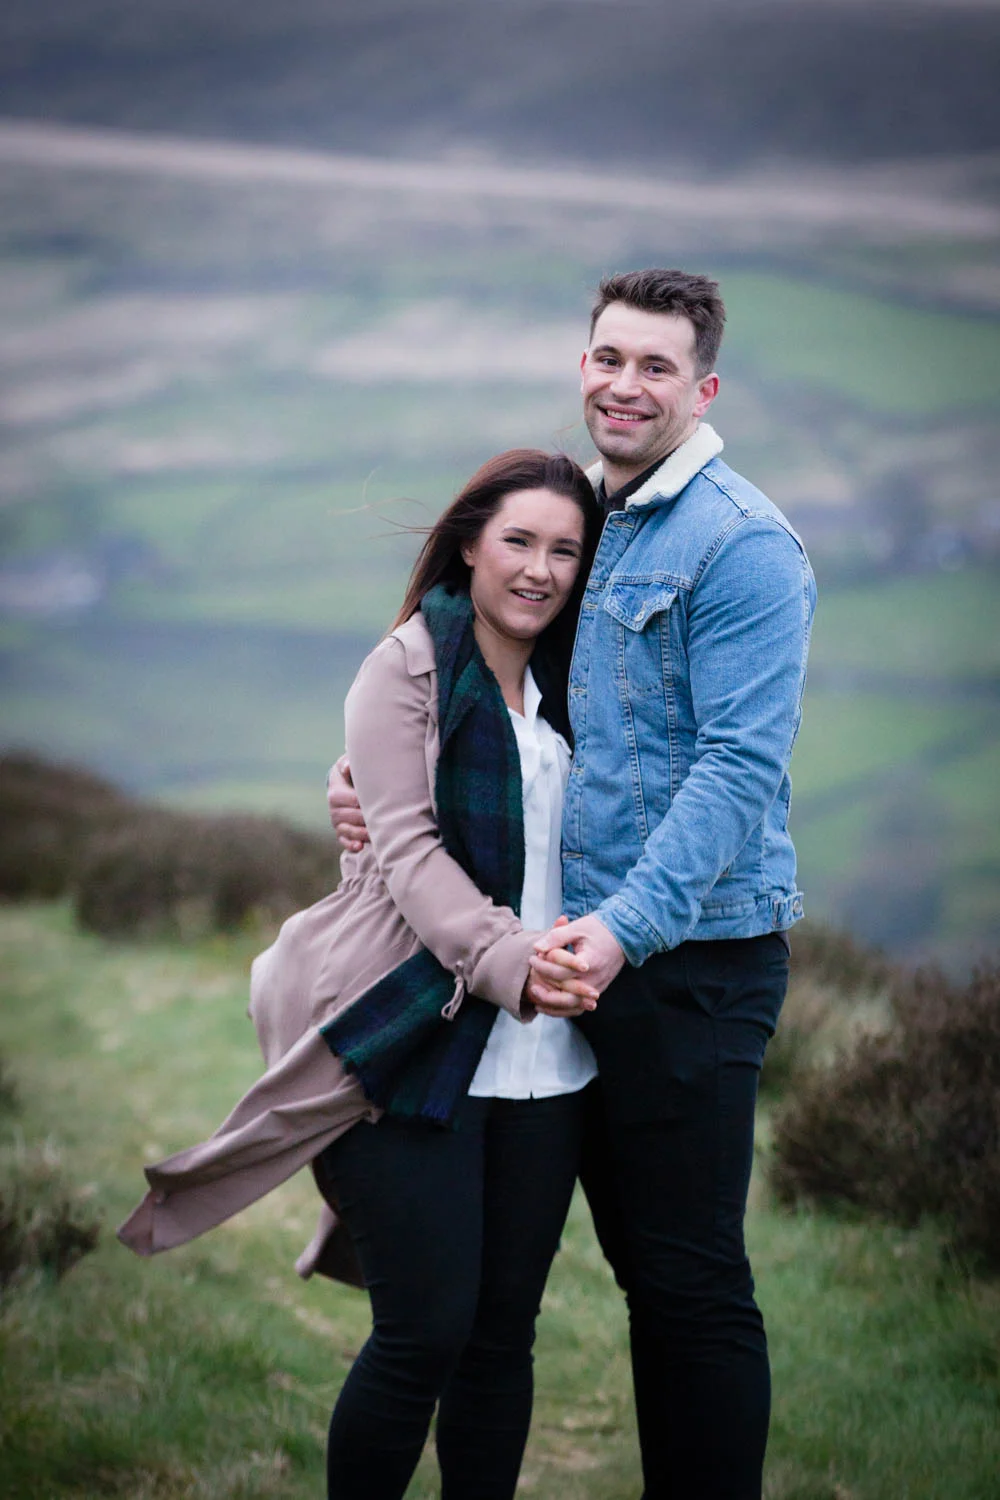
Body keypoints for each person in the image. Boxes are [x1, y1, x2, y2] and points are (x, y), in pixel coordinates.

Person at [328, 268, 817, 1500]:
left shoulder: (742, 544)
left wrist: (622, 933)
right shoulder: (595, 522)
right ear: (581, 366)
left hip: (684, 960)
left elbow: (738, 768)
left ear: (703, 388)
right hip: (551, 968)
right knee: (503, 1306)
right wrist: (371, 779)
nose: (624, 383)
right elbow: (486, 684)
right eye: (608, 358)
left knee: (687, 1284)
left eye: (656, 366)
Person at [120, 448, 604, 1500]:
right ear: (470, 541)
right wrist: (511, 963)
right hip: (410, 1034)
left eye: (565, 549)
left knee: (499, 1338)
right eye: (518, 541)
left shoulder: (581, 680)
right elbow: (410, 852)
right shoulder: (408, 666)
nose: (539, 569)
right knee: (423, 1330)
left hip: (547, 1062)